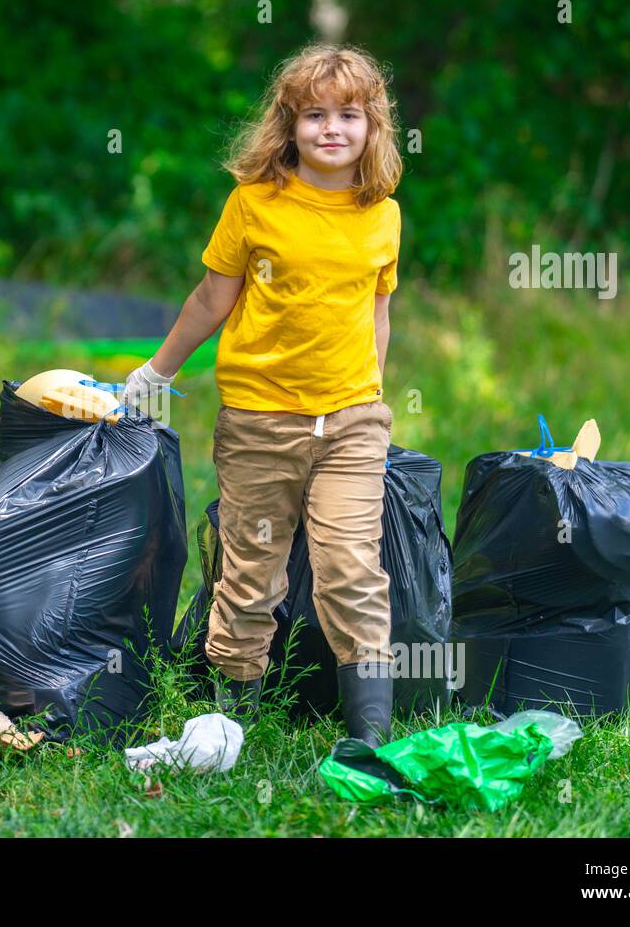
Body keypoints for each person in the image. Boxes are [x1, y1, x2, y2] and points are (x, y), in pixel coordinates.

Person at [123, 43, 403, 748]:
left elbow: (377, 307)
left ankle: (369, 735)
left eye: (348, 115)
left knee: (351, 571)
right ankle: (230, 720)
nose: (331, 129)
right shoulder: (254, 205)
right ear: (289, 124)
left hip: (350, 423)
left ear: (373, 128)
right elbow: (213, 295)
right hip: (259, 420)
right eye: (314, 114)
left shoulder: (382, 215)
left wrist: (370, 389)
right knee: (251, 573)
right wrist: (158, 372)